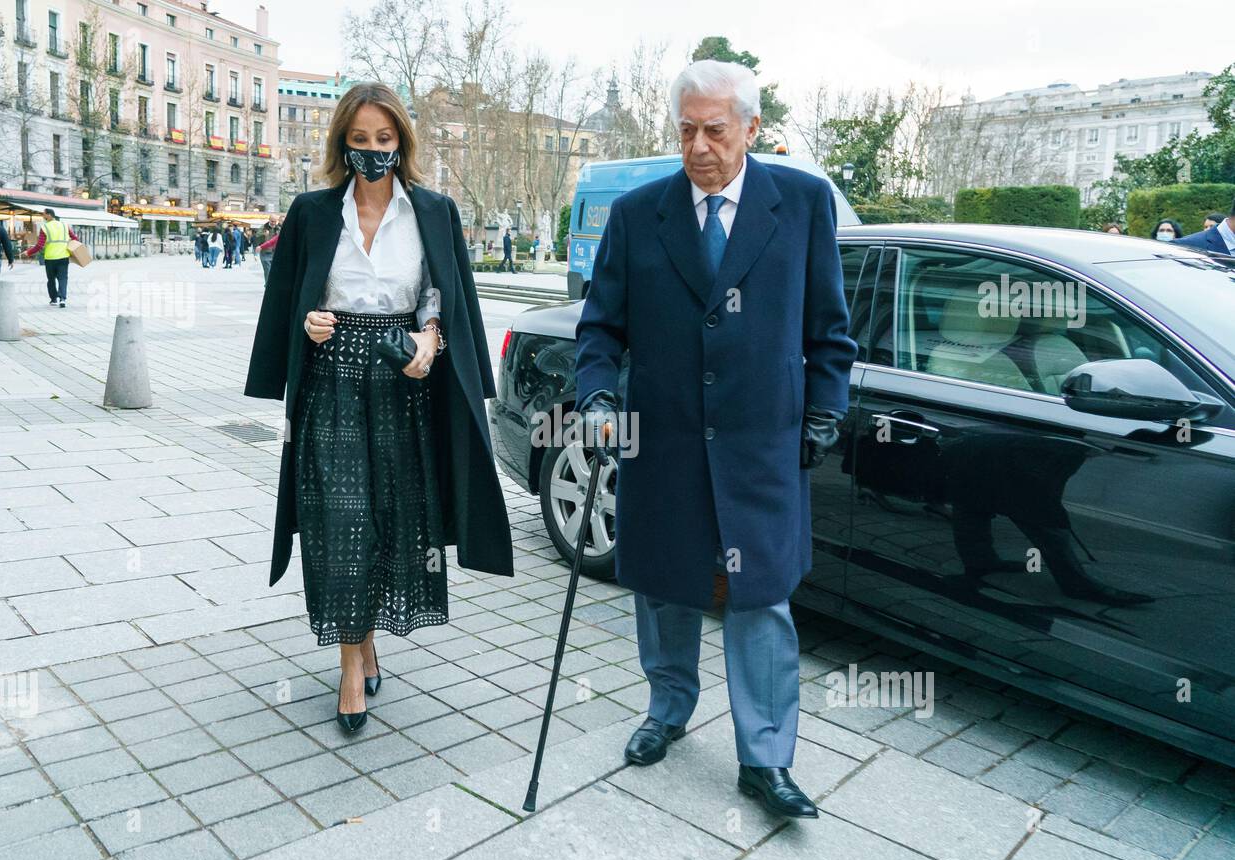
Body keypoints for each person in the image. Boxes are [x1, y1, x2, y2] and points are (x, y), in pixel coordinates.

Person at [574, 60, 858, 819]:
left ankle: (765, 760)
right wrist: (597, 394)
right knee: (664, 586)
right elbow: (600, 328)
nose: (699, 146)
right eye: (687, 130)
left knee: (760, 602)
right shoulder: (638, 215)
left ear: (751, 129)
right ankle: (667, 710)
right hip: (662, 444)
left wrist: (827, 404)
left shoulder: (800, 203)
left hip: (762, 447)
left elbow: (829, 330)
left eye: (715, 130)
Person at [243, 81, 514, 733]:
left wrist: (430, 338)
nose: (372, 151)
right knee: (341, 523)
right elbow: (285, 302)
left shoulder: (434, 211)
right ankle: (348, 670)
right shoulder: (311, 212)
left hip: (402, 383)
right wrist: (306, 325)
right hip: (330, 379)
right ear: (343, 143)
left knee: (388, 523)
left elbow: (441, 295)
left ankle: (363, 643)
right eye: (359, 140)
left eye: (384, 140)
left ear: (402, 142)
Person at [21, 208, 79, 308]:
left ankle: (53, 299)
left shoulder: (45, 227)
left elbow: (39, 245)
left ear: (49, 215)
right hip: (63, 257)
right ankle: (62, 299)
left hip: (50, 258)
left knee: (51, 279)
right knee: (63, 278)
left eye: (44, 214)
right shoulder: (65, 226)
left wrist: (28, 252)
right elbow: (75, 238)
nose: (43, 216)